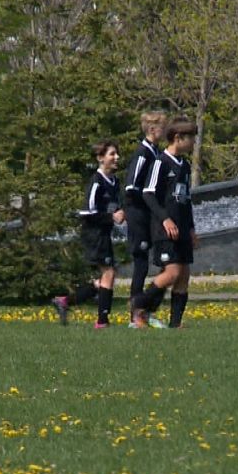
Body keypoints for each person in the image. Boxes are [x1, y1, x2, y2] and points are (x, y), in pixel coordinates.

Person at [131, 117, 198, 329]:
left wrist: (191, 228)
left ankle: (175, 323)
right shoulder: (160, 162)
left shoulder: (185, 166)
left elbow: (186, 201)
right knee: (172, 272)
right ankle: (139, 304)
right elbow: (148, 194)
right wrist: (166, 219)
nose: (193, 143)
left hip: (182, 229)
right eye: (191, 139)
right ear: (178, 138)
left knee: (183, 275)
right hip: (164, 228)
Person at [53, 140, 123, 328]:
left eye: (117, 154)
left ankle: (65, 301)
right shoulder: (96, 182)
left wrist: (122, 213)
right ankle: (102, 321)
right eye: (112, 154)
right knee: (109, 273)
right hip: (94, 234)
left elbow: (115, 207)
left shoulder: (115, 181)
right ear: (101, 158)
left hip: (104, 234)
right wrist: (111, 217)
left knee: (106, 278)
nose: (116, 157)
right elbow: (88, 212)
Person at [123, 111, 167, 328]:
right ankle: (135, 314)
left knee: (158, 261)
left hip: (148, 215)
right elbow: (131, 187)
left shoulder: (156, 153)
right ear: (152, 129)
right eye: (162, 128)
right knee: (140, 263)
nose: (165, 132)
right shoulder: (142, 154)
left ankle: (146, 309)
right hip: (138, 215)